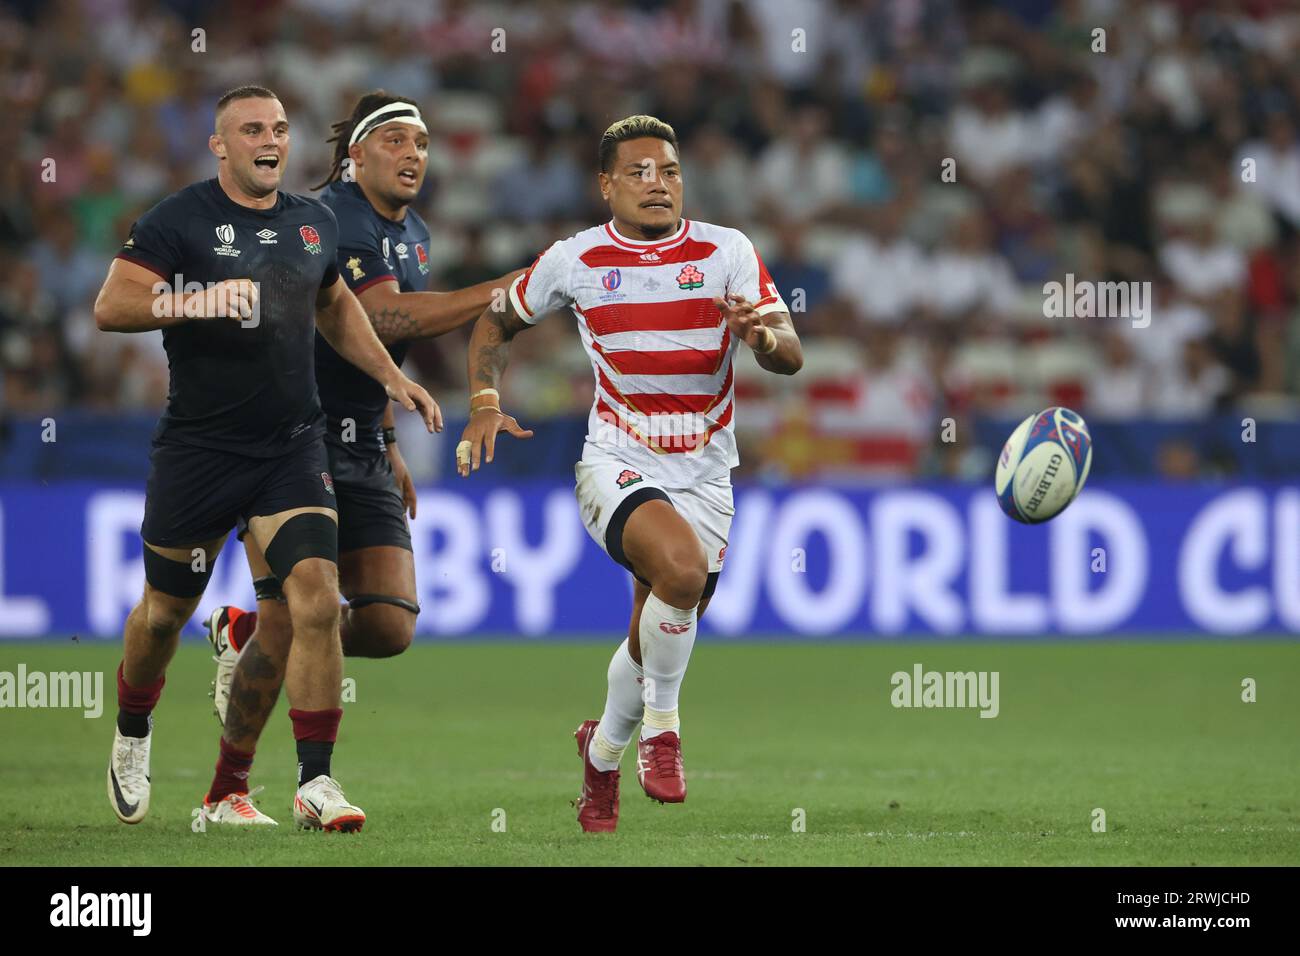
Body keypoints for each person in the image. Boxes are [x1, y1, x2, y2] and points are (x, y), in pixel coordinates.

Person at [95, 85, 440, 831]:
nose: (270, 140)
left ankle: (315, 783)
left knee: (316, 598)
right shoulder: (178, 218)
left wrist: (392, 379)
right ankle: (131, 729)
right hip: (200, 452)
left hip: (290, 449)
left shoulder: (312, 224)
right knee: (161, 618)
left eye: (280, 129)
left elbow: (337, 307)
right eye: (251, 129)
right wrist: (193, 301)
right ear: (220, 145)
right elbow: (112, 306)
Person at [457, 115, 802, 833]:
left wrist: (763, 335)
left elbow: (791, 353)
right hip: (616, 460)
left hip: (705, 475)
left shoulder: (726, 251)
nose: (657, 184)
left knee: (655, 631)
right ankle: (664, 733)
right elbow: (495, 322)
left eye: (669, 172)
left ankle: (602, 755)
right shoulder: (575, 259)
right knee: (679, 572)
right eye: (639, 173)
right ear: (605, 185)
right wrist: (485, 401)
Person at [198, 91, 520, 830]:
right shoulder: (328, 218)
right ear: (356, 155)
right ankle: (230, 791)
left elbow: (369, 352)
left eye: (424, 145)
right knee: (297, 617)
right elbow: (382, 317)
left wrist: (384, 437)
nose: (415, 156)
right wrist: (502, 290)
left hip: (360, 440)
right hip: (284, 438)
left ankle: (246, 638)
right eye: (398, 142)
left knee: (386, 627)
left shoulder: (417, 233)